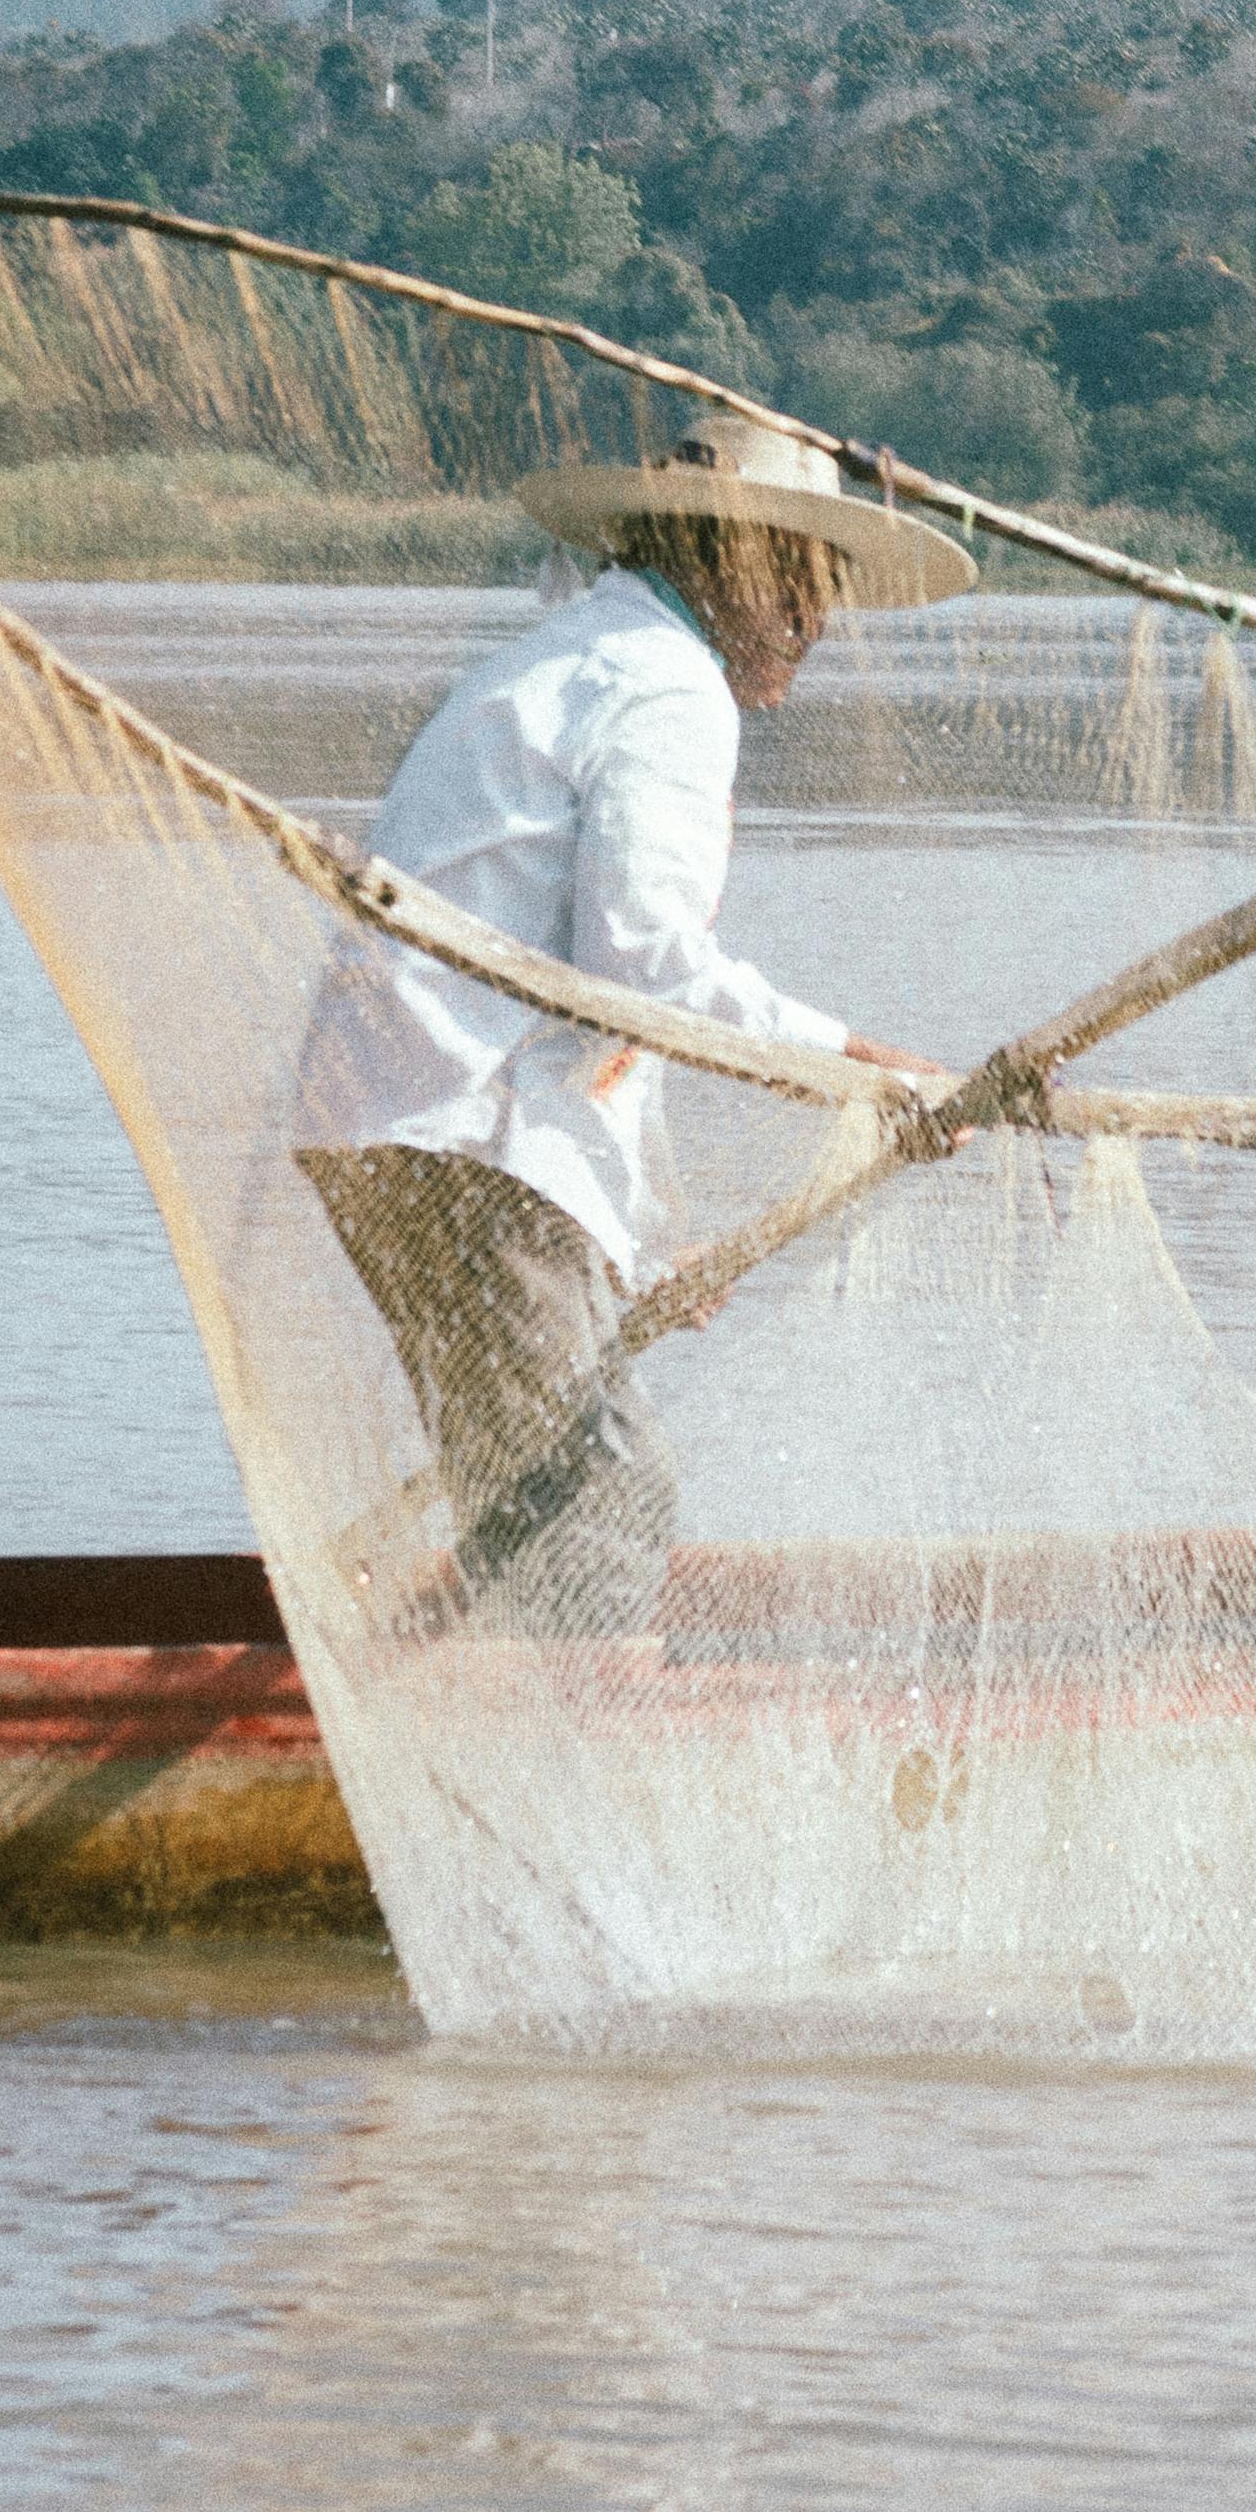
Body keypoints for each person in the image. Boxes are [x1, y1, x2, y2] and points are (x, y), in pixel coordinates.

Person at [297, 416, 971, 1630]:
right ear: (733, 561)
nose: (815, 629)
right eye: (805, 588)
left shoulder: (593, 655)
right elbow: (643, 965)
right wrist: (853, 1065)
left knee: (539, 1486)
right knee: (595, 1498)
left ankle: (449, 1706)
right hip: (463, 1144)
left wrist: (643, 1238)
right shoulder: (664, 686)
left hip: (426, 1128)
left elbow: (594, 1011)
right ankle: (567, 1766)